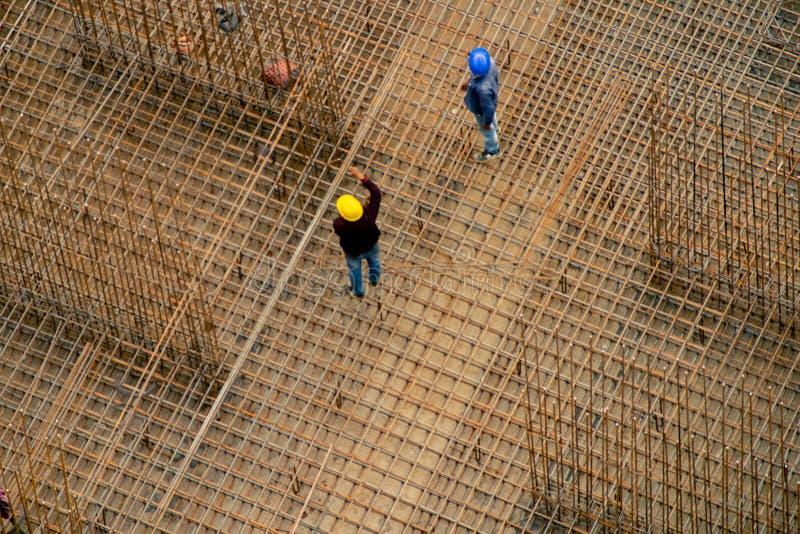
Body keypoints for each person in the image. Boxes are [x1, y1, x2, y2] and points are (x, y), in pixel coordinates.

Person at [333, 166, 382, 298]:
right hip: (371, 246)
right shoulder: (369, 216)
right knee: (375, 262)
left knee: (355, 272)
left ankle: (358, 292)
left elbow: (341, 229)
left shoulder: (339, 224)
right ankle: (374, 280)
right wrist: (359, 175)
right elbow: (376, 194)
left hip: (353, 253)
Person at [462, 47, 501, 162]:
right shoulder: (491, 63)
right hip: (491, 99)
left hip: (482, 109)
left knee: (487, 129)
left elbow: (487, 108)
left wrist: (487, 124)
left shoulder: (482, 90)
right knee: (491, 115)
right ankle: (496, 128)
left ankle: (493, 150)